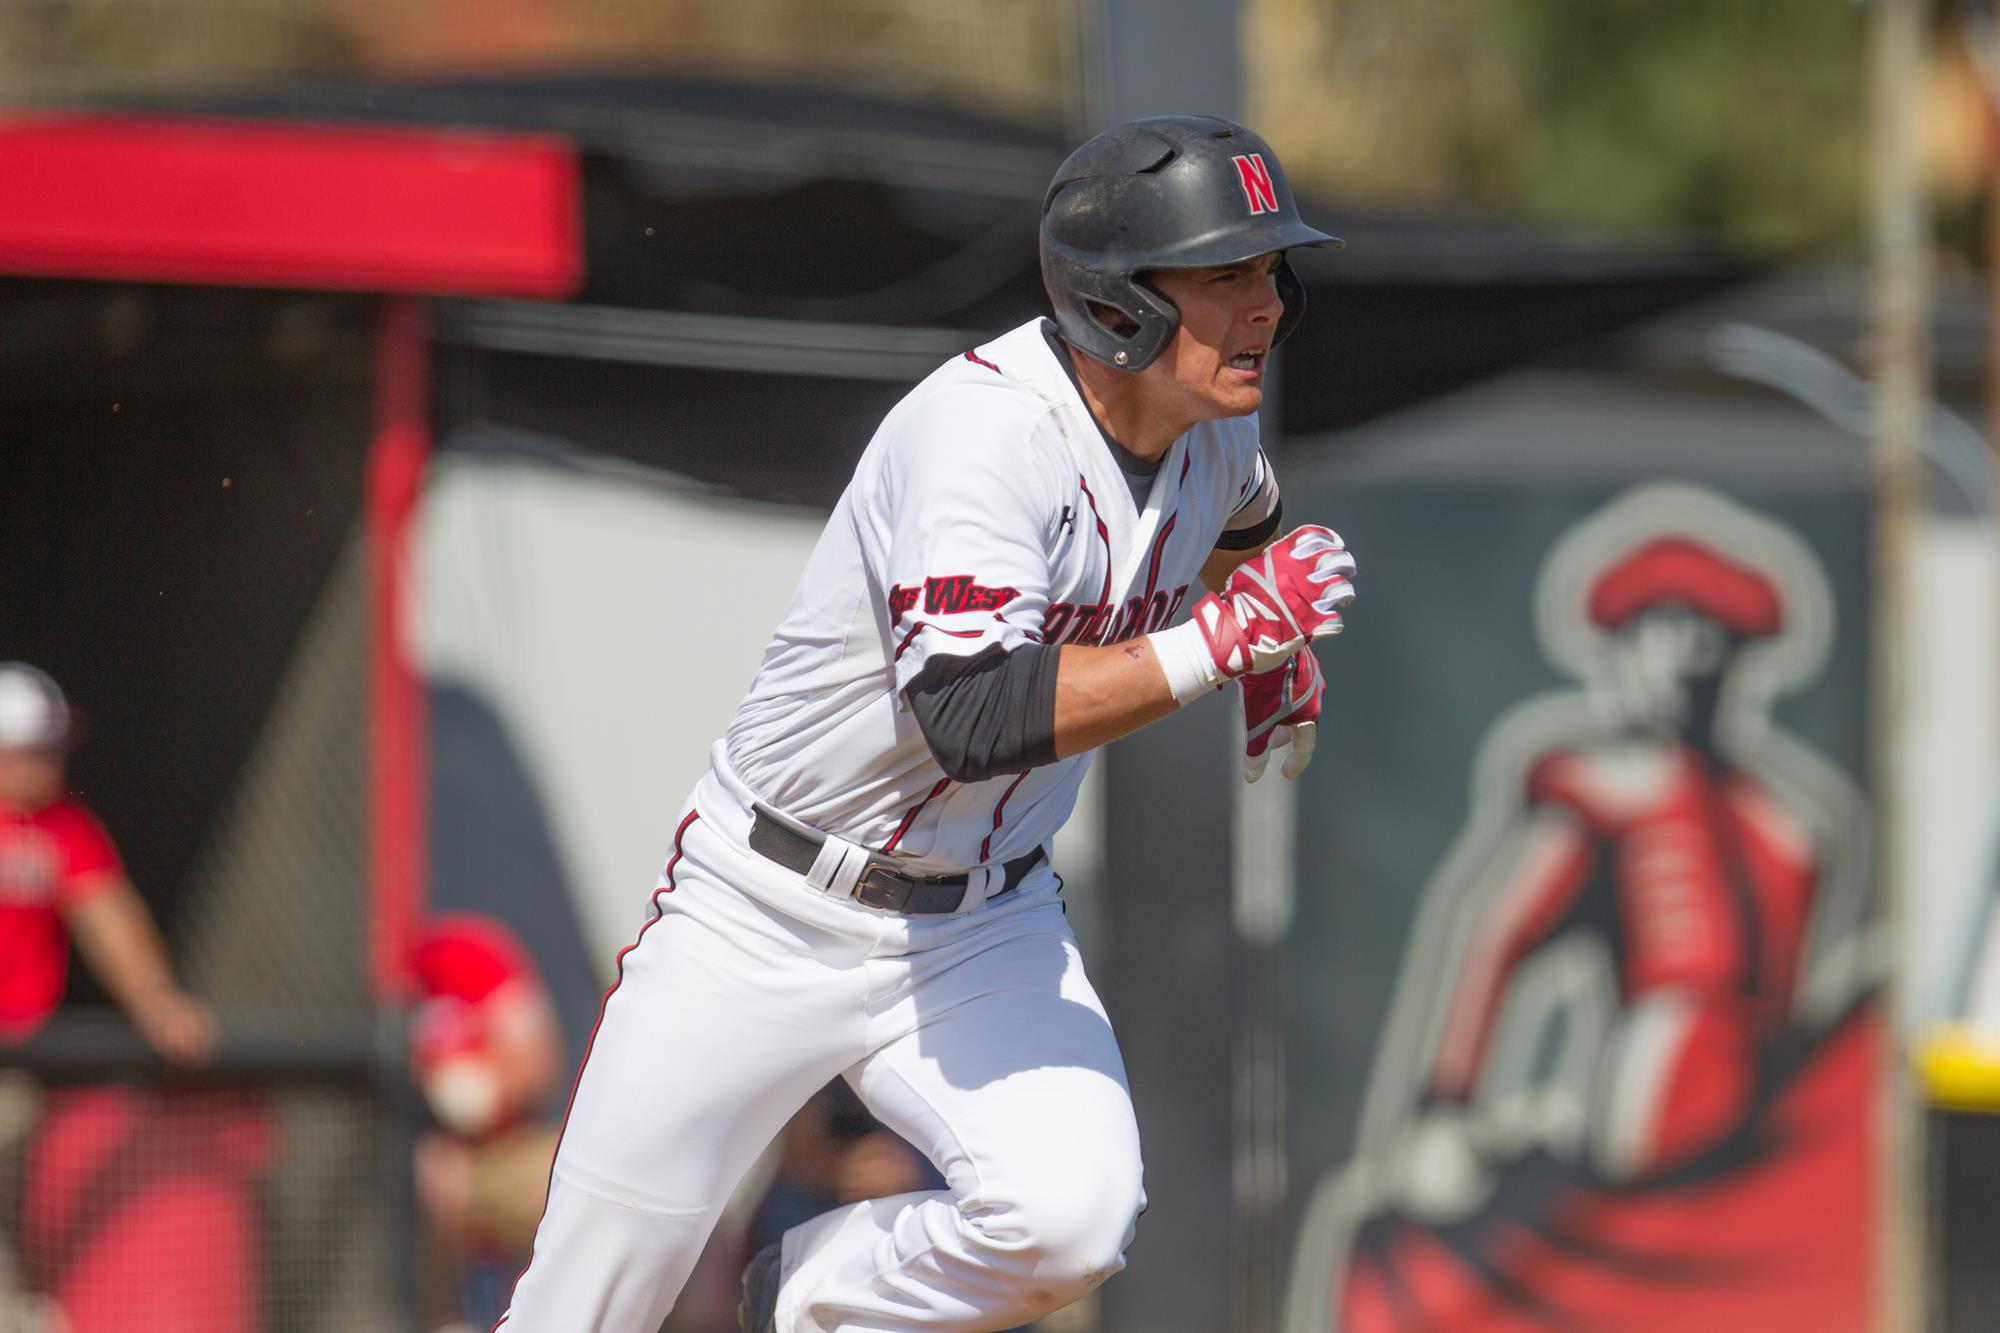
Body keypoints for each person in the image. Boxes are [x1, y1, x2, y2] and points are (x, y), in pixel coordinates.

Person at [497, 115, 1357, 1333]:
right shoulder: (982, 436)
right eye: (1224, 274)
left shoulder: (1213, 432)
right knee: (579, 1309)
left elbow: (1244, 528)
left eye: (1268, 268)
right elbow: (972, 714)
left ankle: (804, 1297)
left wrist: (1270, 649)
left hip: (981, 921)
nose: (1266, 302)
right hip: (765, 903)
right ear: (1115, 301)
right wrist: (1221, 642)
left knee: (1069, 1218)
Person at [0, 661, 215, 1061]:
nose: (51, 762)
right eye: (35, 750)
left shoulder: (66, 824)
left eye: (54, 748)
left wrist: (156, 1000)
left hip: (19, 1046)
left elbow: (106, 915)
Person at [408, 914, 566, 1331]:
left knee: (561, 1183)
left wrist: (480, 1091)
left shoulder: (460, 953)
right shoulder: (372, 979)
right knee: (437, 1180)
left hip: (501, 1151)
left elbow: (536, 1066)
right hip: (415, 1165)